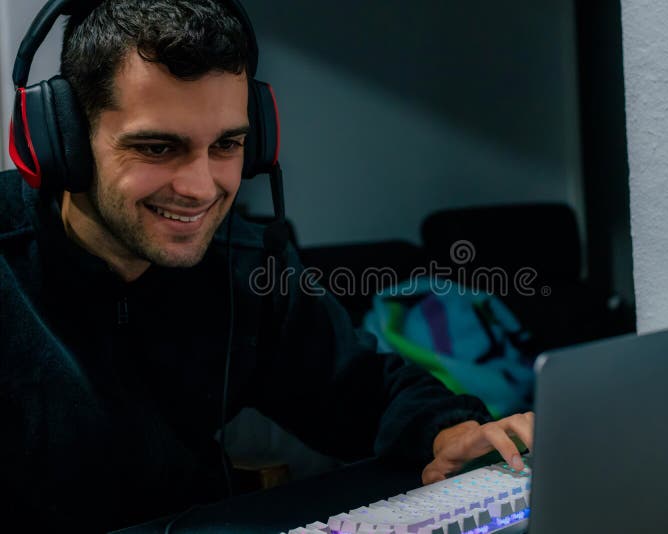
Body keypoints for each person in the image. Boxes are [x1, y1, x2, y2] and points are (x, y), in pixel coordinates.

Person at [0, 0, 534, 531]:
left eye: (227, 145)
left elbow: (365, 388)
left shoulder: (243, 267)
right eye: (158, 147)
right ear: (61, 139)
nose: (201, 188)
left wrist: (448, 433)